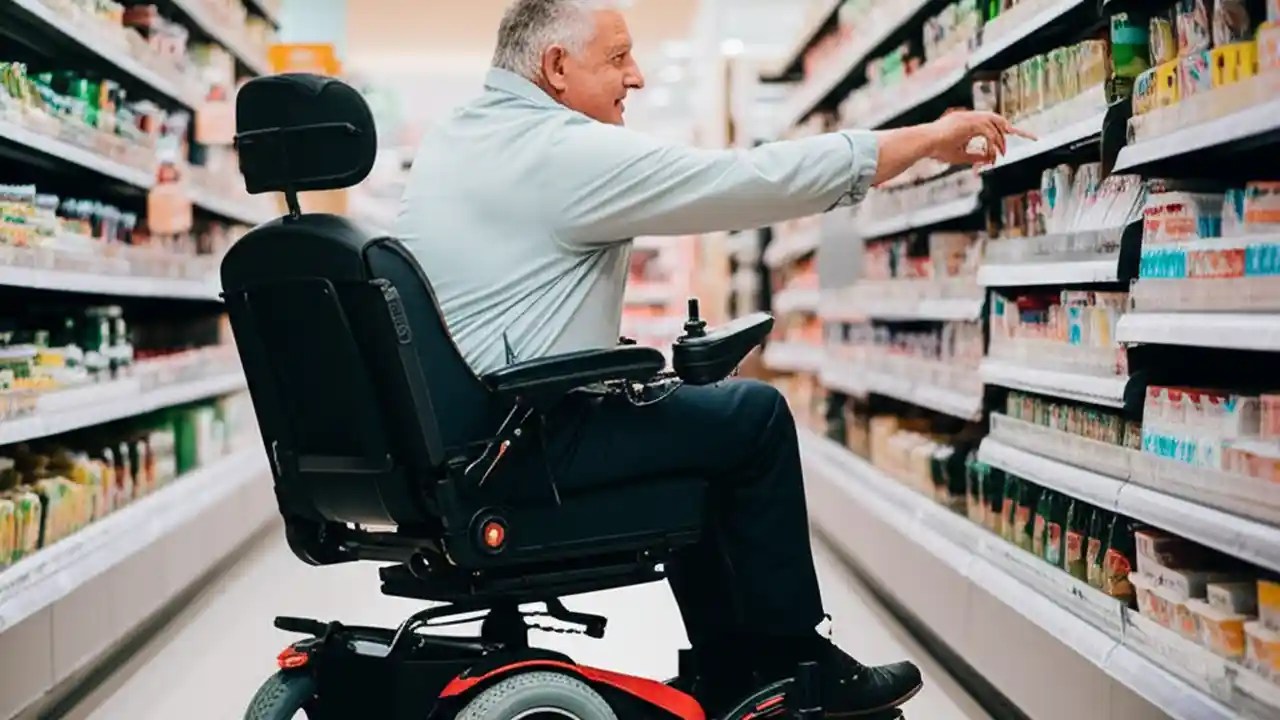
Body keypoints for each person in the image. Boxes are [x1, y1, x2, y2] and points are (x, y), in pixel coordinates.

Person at [396, 0, 1031, 715]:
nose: (634, 76)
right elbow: (747, 181)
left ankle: (738, 668)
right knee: (750, 415)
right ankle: (794, 661)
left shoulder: (458, 138)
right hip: (518, 443)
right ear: (556, 67)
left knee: (690, 435)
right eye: (618, 58)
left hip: (452, 440)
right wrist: (921, 140)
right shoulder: (559, 152)